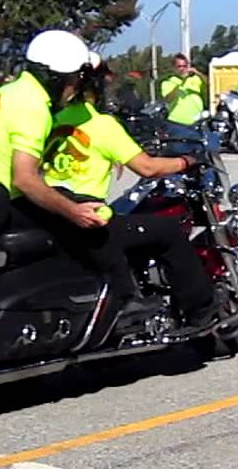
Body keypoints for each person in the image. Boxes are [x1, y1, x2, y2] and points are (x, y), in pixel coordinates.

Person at [0, 30, 217, 326]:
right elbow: (146, 168)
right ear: (62, 78)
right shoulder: (47, 111)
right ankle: (144, 304)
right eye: (76, 78)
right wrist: (186, 161)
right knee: (139, 225)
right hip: (16, 202)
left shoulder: (7, 95)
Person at [41, 55, 219, 326]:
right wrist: (186, 161)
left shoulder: (53, 120)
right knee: (168, 230)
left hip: (50, 213)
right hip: (88, 218)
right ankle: (201, 314)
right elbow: (147, 168)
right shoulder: (101, 125)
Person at [161, 53, 206, 126]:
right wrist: (181, 83)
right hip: (178, 122)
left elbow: (210, 84)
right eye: (179, 66)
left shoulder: (195, 79)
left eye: (185, 66)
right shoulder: (168, 82)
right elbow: (168, 99)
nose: (183, 69)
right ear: (173, 68)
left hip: (197, 121)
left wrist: (198, 73)